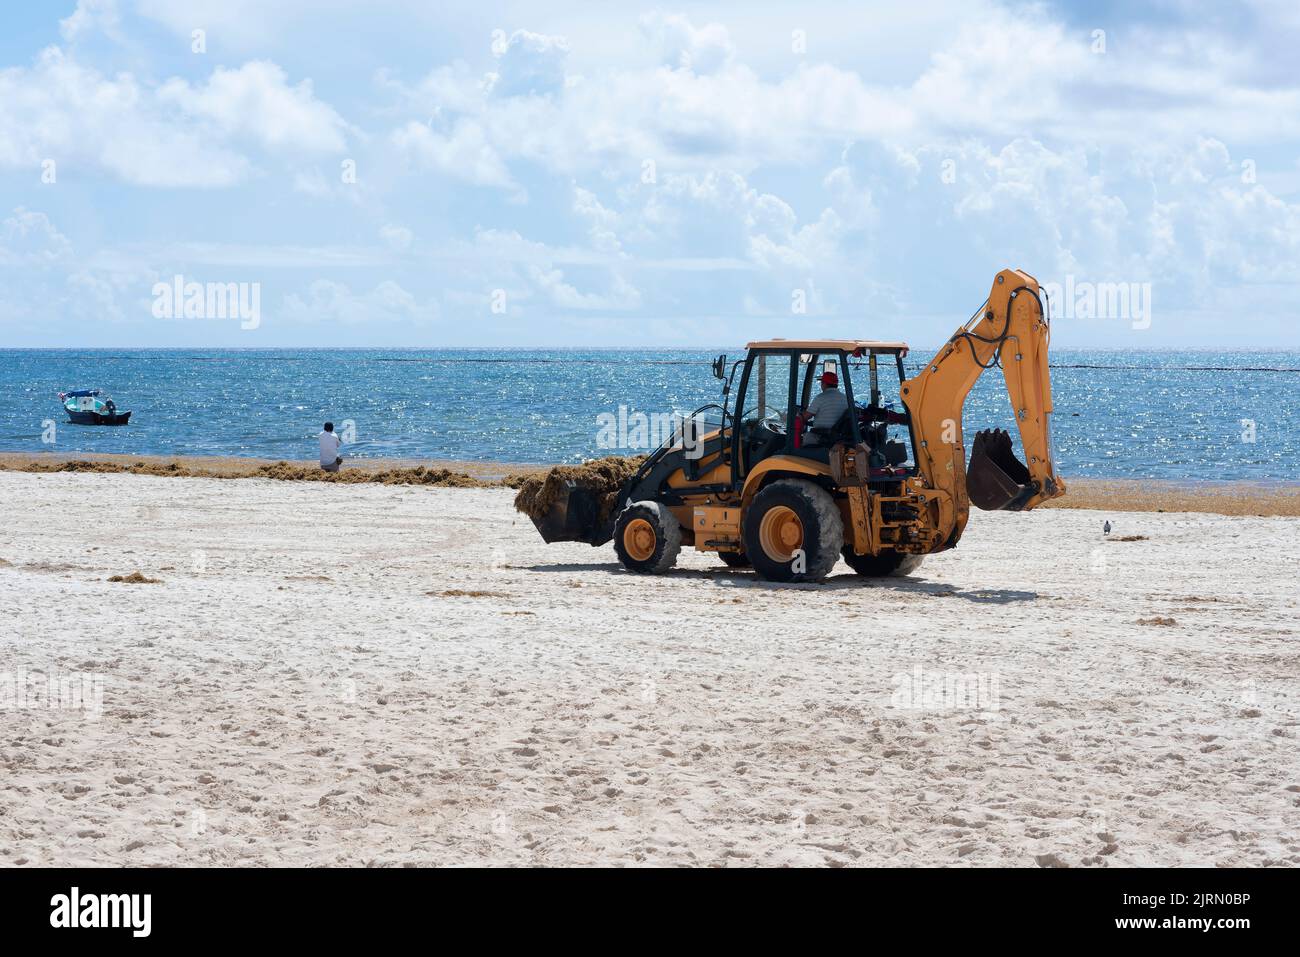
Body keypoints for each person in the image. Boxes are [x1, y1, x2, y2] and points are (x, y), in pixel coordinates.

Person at [803, 371, 848, 443]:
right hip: (839, 436)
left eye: (821, 383)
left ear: (824, 384)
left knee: (807, 437)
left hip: (823, 436)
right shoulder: (845, 398)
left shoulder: (820, 398)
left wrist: (798, 416)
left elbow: (805, 417)